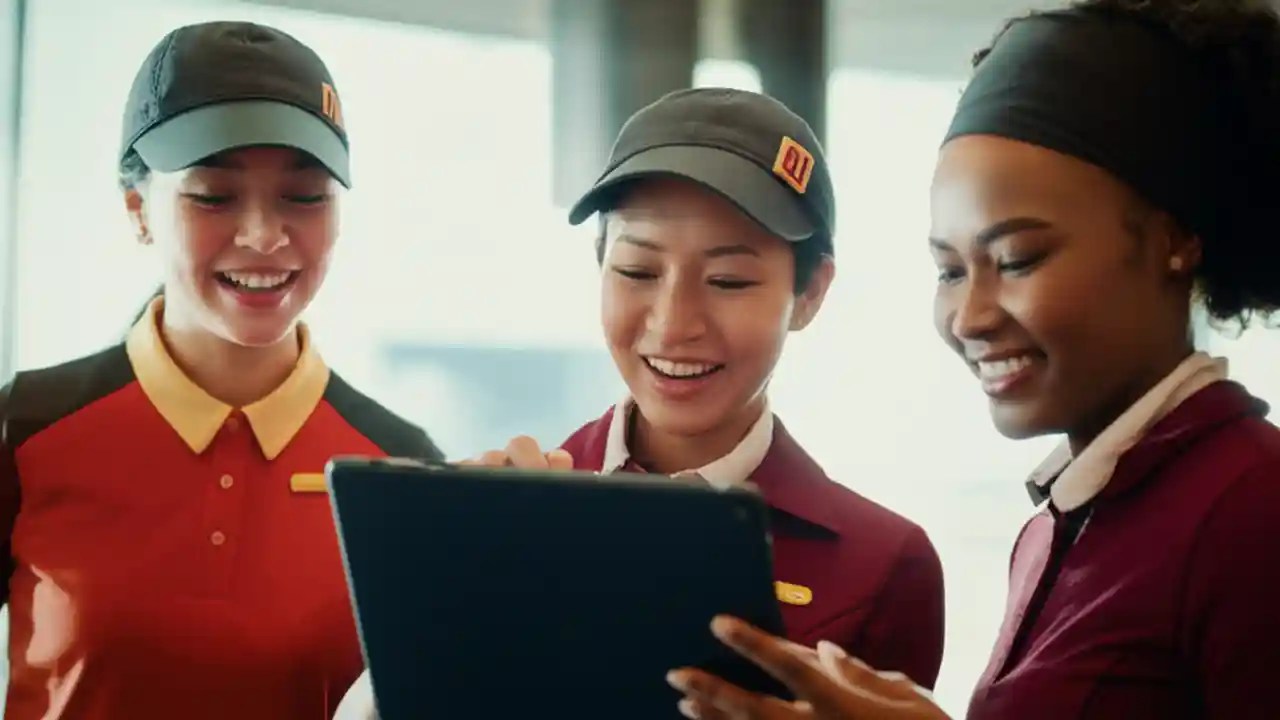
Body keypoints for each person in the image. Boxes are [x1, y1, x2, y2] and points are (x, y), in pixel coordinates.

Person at [667, 1, 1280, 719]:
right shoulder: (1066, 522)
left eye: (1016, 259)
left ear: (1176, 240)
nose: (970, 317)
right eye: (950, 271)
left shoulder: (1252, 511)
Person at [0, 21, 441, 720]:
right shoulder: (26, 427)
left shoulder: (398, 466)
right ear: (138, 208)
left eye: (304, 197)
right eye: (213, 196)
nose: (264, 236)